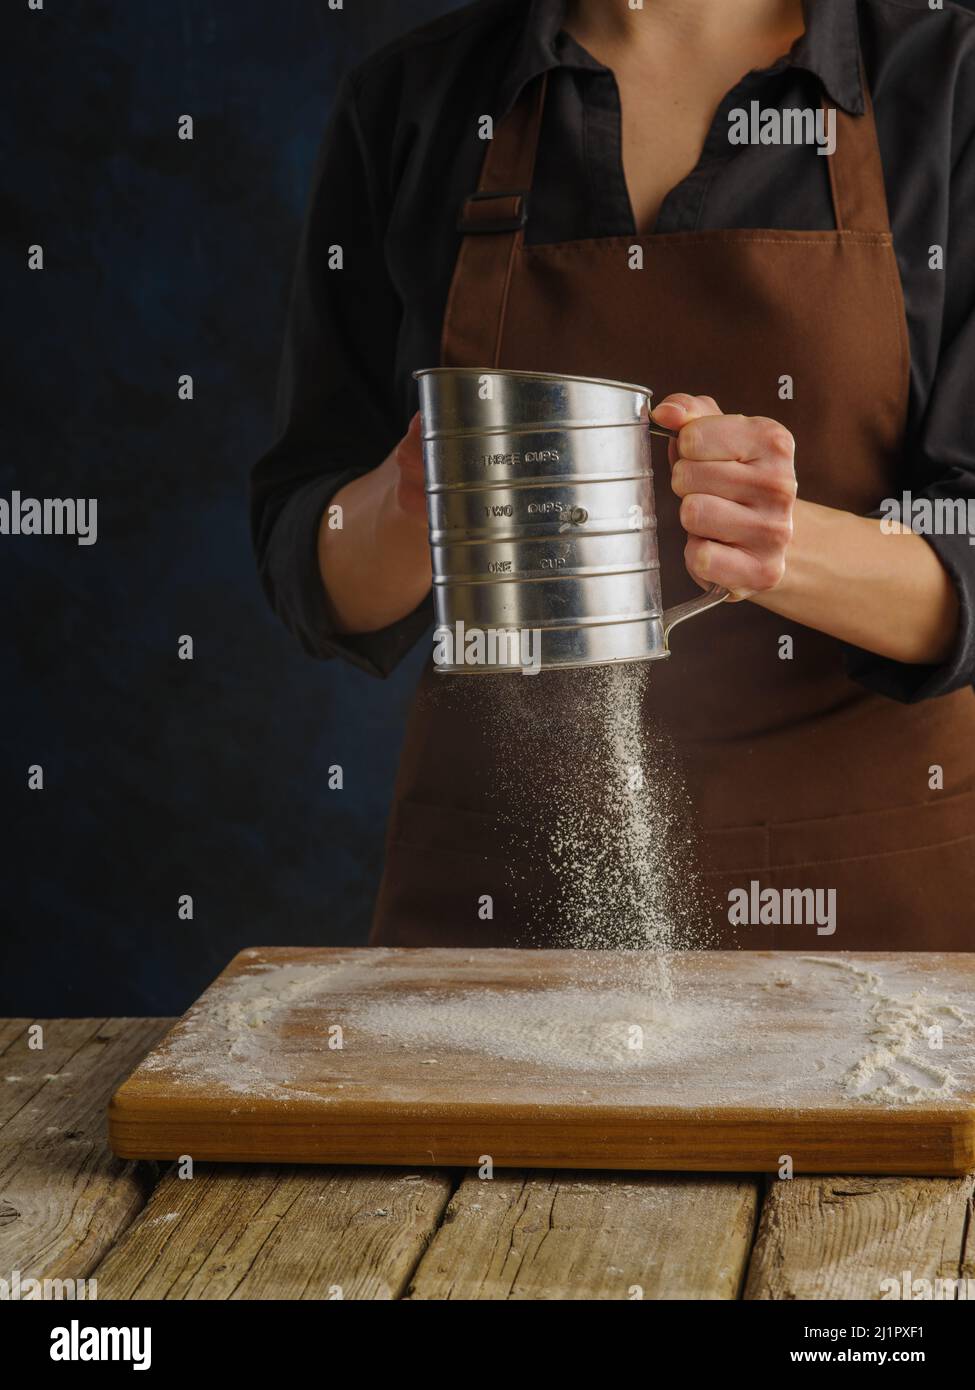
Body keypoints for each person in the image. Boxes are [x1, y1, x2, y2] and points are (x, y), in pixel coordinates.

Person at [251, 0, 975, 951]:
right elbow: (305, 557)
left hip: (872, 895)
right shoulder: (416, 97)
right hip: (498, 903)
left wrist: (778, 545)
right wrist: (410, 503)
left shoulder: (946, 78)